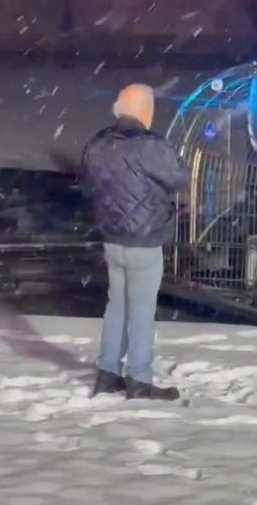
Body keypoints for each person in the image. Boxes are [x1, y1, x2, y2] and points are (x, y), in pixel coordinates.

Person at [82, 83, 190, 400]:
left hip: (112, 237)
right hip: (145, 239)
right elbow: (179, 179)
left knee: (117, 306)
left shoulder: (98, 143)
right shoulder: (150, 145)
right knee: (142, 310)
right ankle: (139, 380)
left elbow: (87, 184)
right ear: (144, 110)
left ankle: (108, 373)